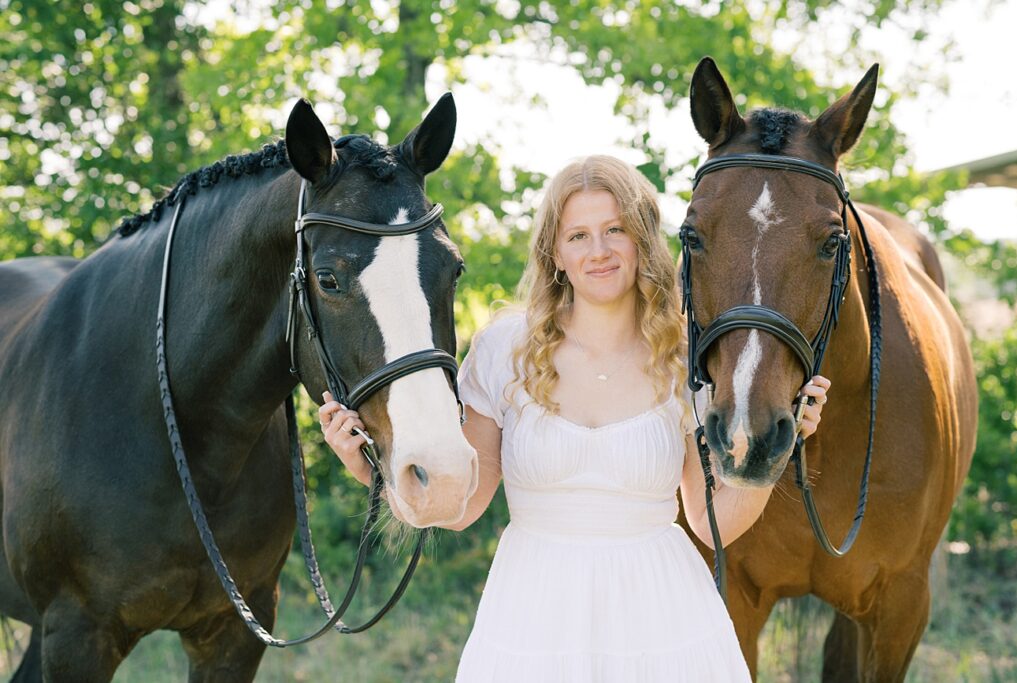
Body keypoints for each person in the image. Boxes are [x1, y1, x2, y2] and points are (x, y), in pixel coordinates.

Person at [320, 156, 829, 682]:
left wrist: (773, 456)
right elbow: (460, 506)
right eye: (578, 236)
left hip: (663, 618)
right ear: (555, 254)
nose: (599, 251)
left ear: (642, 241)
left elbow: (709, 520)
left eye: (615, 230)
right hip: (533, 617)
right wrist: (368, 469)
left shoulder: (686, 356)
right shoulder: (504, 350)